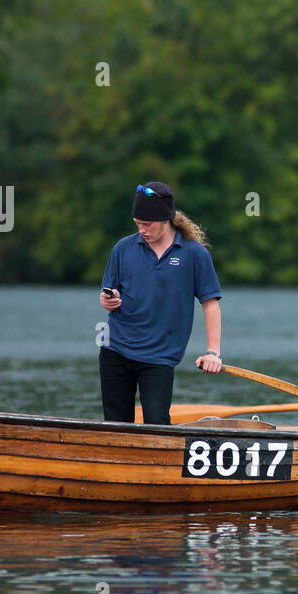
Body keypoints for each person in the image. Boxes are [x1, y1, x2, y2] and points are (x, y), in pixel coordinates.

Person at [98, 181, 223, 425]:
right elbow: (107, 295)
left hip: (159, 358)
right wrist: (107, 301)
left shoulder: (194, 254)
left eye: (147, 224)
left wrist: (213, 352)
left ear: (166, 219)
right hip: (115, 350)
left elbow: (211, 305)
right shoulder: (123, 248)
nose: (142, 229)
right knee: (115, 427)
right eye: (138, 224)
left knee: (157, 423)